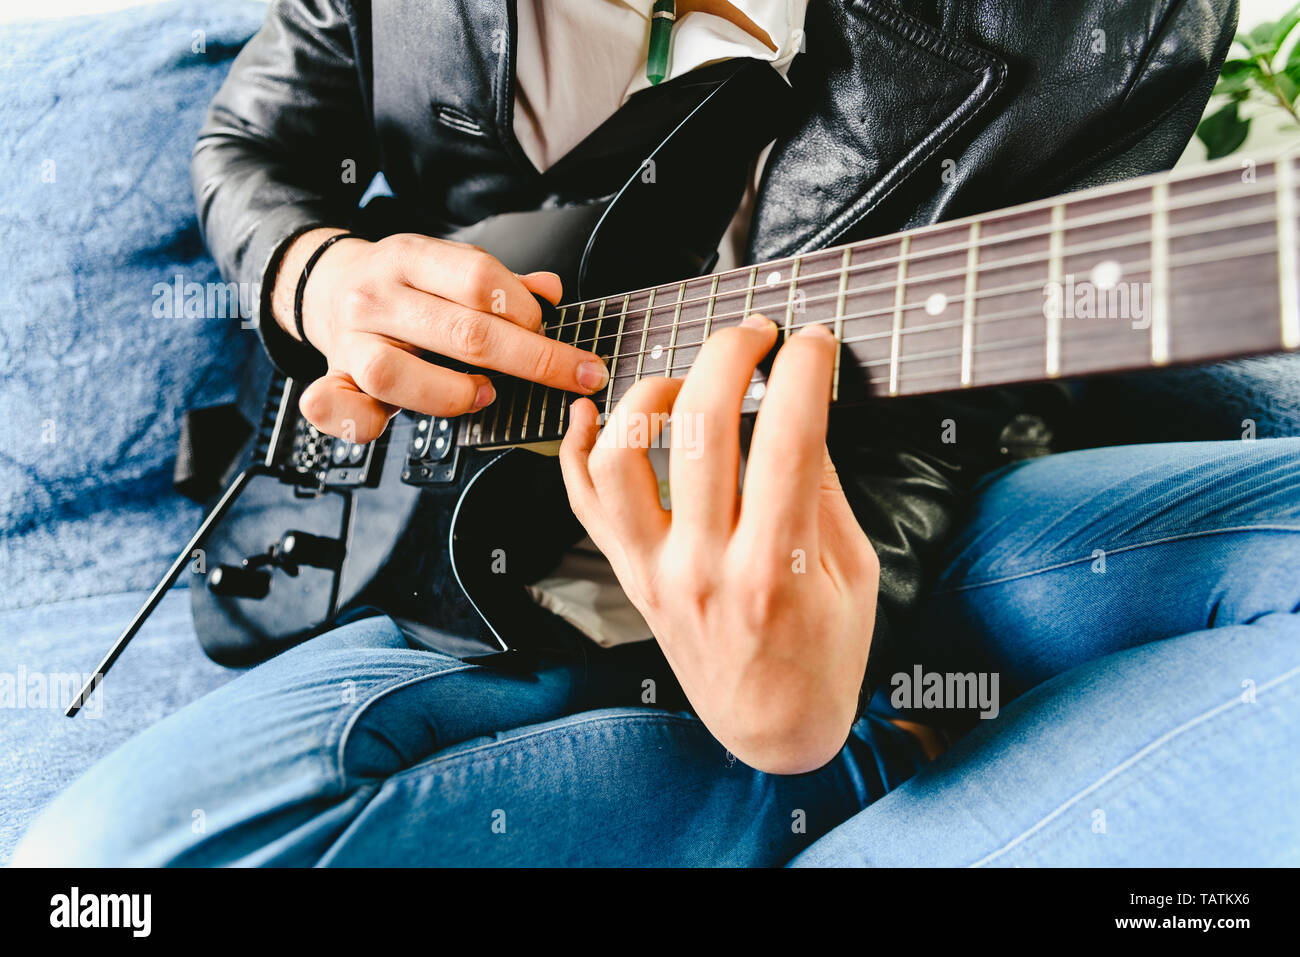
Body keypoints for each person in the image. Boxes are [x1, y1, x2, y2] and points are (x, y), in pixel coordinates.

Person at [17, 0, 1300, 866]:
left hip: (856, 500)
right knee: (101, 869)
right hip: (452, 532)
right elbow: (247, 144)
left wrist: (818, 693)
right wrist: (313, 274)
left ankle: (853, 754)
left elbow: (981, 376)